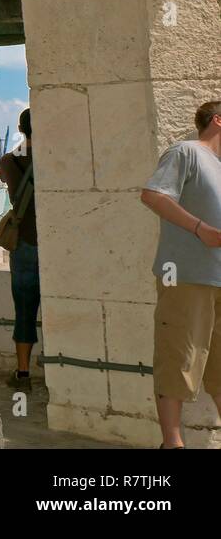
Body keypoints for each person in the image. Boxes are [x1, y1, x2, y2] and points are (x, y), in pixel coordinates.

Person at [140, 100, 221, 449]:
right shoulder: (186, 151)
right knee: (179, 357)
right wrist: (200, 228)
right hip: (186, 277)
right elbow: (153, 195)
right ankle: (172, 444)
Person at [0, 108, 39, 390]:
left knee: (24, 309)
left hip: (24, 242)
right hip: (51, 242)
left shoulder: (10, 160)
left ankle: (23, 373)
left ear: (21, 129)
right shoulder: (51, 157)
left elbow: (1, 175)